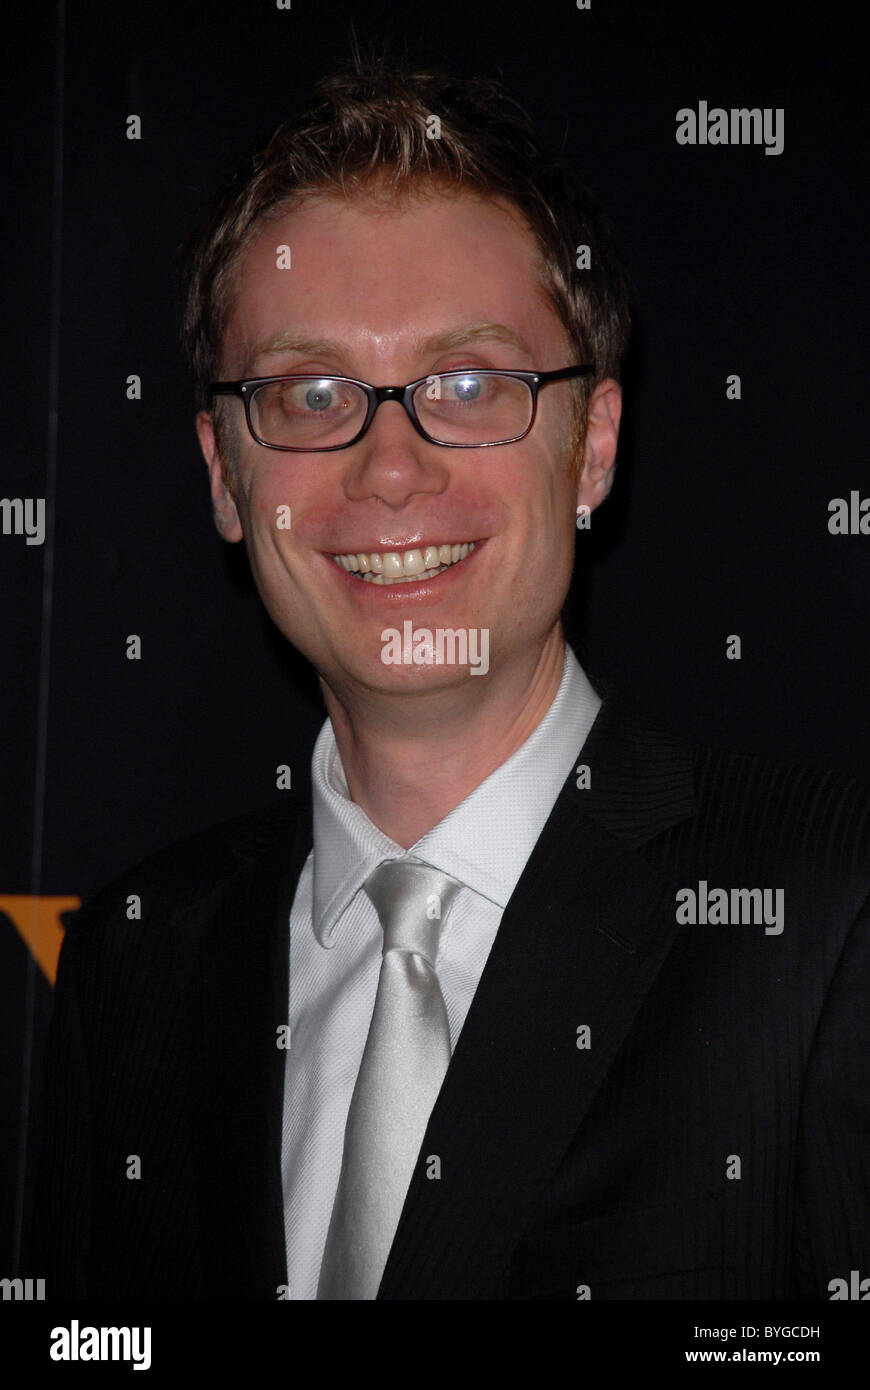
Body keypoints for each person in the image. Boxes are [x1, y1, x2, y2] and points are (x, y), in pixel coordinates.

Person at [33, 59, 870, 1301]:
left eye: (469, 386)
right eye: (309, 393)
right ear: (222, 472)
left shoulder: (828, 919)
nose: (389, 468)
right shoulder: (134, 964)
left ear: (592, 446)